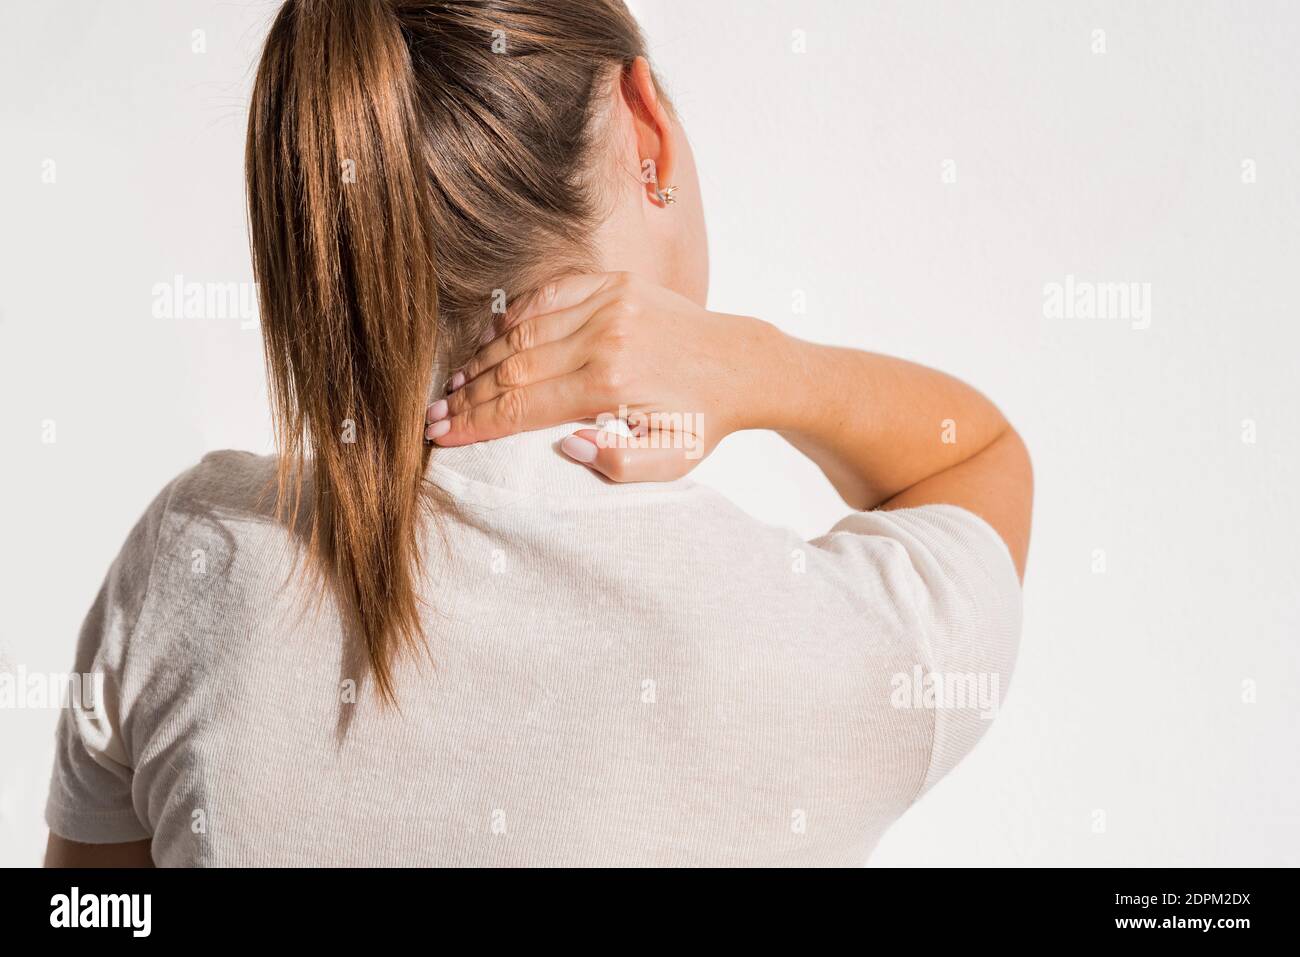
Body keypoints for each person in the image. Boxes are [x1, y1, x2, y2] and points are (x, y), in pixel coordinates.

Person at [45, 0, 1031, 867]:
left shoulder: (193, 562)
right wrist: (764, 365)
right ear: (648, 132)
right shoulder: (821, 647)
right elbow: (975, 455)